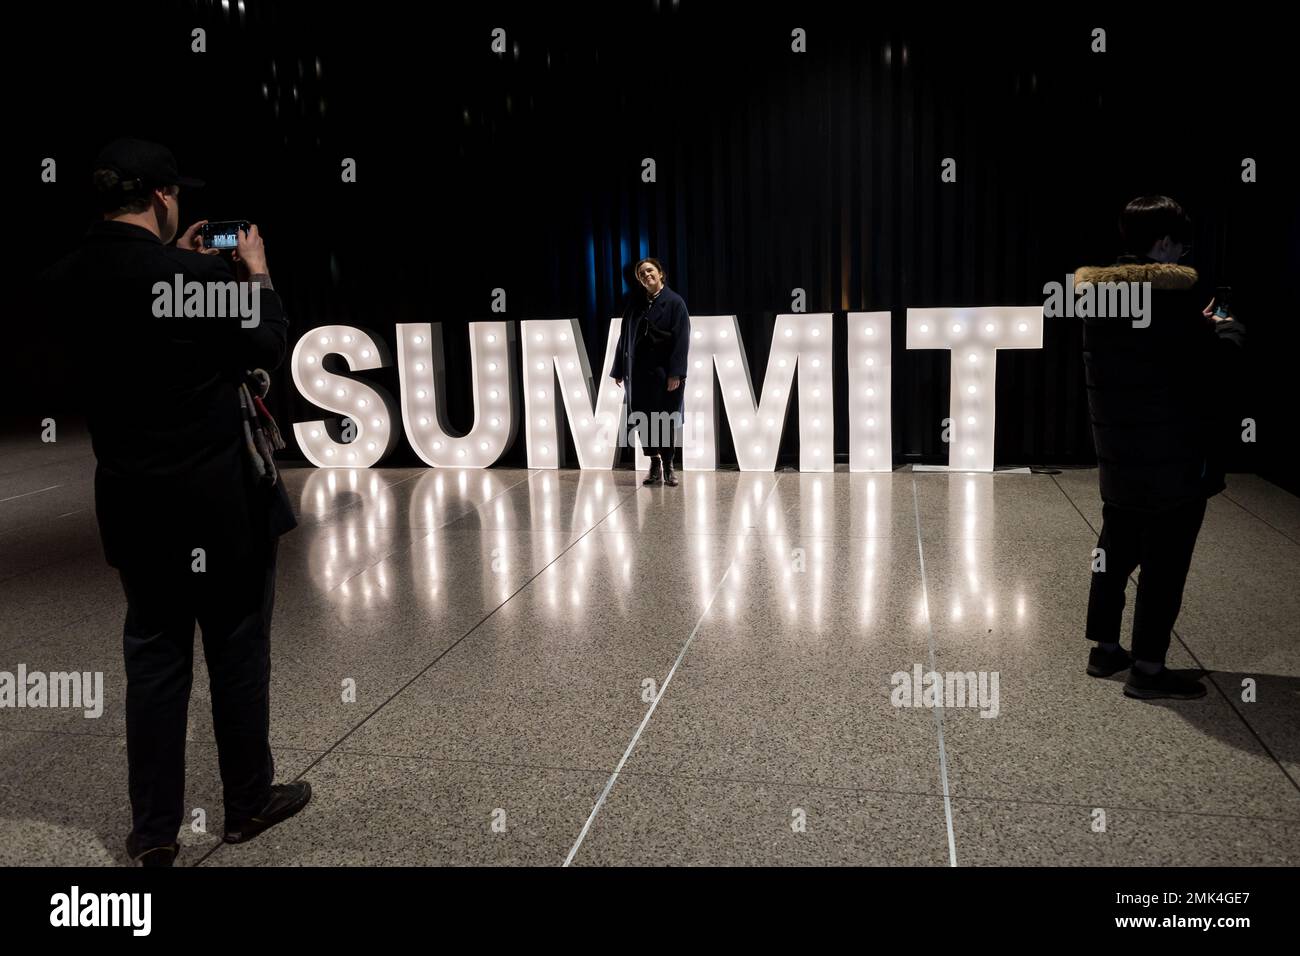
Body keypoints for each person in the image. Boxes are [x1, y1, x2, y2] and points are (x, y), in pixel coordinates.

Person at [42, 138, 310, 865]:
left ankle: (153, 832)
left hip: (133, 503)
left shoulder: (64, 278)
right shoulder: (190, 275)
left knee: (155, 663)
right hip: (220, 506)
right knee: (235, 650)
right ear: (162, 198)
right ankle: (247, 804)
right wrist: (254, 274)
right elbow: (264, 347)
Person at [1078, 195, 1246, 700]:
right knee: (1165, 563)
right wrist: (1224, 336)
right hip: (1173, 456)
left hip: (1119, 452)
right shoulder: (1173, 299)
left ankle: (1106, 650)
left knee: (1114, 550)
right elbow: (1201, 374)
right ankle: (1149, 670)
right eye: (1181, 243)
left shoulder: (1099, 297)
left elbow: (1137, 362)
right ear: (1165, 241)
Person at [609, 257, 691, 485]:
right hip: (638, 374)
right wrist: (618, 369)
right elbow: (624, 339)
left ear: (660, 273)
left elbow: (682, 341)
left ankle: (669, 466)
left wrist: (676, 373)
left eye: (649, 271)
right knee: (643, 419)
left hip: (664, 374)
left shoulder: (675, 303)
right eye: (641, 274)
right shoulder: (635, 305)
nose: (646, 275)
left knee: (664, 420)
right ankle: (654, 463)